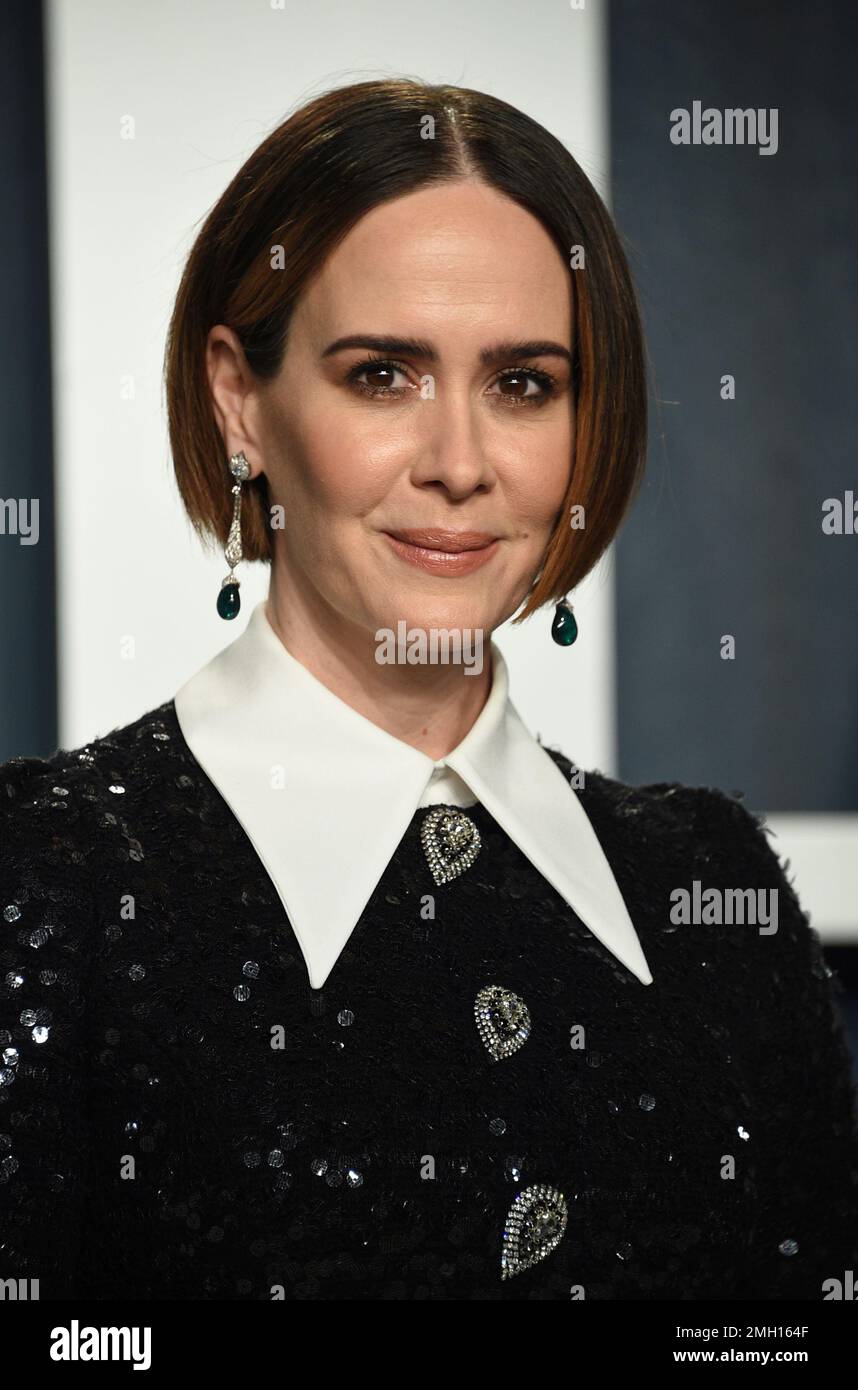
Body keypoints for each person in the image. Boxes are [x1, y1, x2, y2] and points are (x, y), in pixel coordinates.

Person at [1, 78, 856, 1301]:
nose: (460, 464)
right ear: (239, 396)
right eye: (382, 374)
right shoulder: (45, 882)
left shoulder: (710, 892)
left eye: (522, 384)